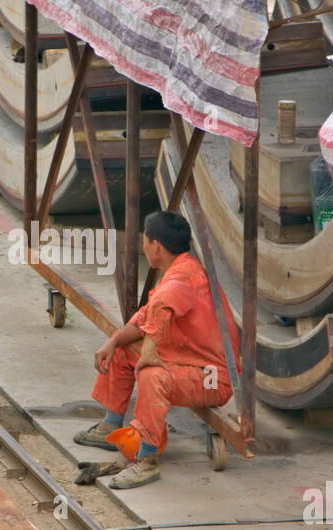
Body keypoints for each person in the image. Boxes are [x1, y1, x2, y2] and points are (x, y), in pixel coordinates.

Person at [74, 210, 240, 489]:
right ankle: (111, 425)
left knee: (152, 375)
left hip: (212, 377)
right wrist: (114, 341)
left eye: (145, 241)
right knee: (124, 348)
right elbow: (146, 317)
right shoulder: (179, 269)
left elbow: (162, 307)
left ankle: (147, 461)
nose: (142, 245)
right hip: (187, 360)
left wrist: (149, 356)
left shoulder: (182, 279)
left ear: (157, 247)